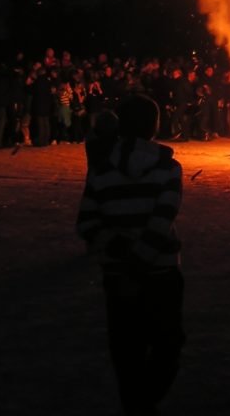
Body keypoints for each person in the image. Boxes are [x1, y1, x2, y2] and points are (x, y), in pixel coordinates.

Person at [76, 94, 185, 416]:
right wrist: (138, 266)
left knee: (126, 350)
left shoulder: (101, 169)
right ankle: (145, 404)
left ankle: (136, 405)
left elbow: (87, 223)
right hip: (161, 274)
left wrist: (121, 258)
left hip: (118, 276)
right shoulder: (169, 168)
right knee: (167, 344)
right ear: (154, 126)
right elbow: (161, 222)